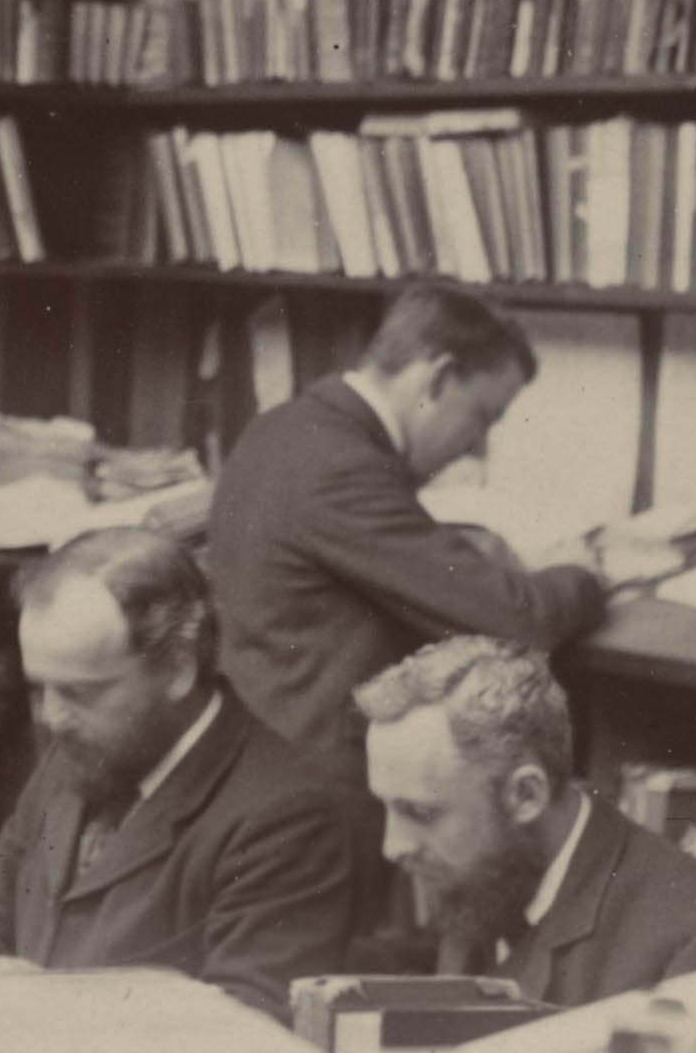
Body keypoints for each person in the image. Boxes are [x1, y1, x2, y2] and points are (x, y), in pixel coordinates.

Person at [0, 527, 380, 1016]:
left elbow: (244, 1028)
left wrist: (20, 1002)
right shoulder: (86, 750)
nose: (51, 718)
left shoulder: (290, 814)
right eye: (38, 689)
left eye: (82, 692)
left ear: (179, 667)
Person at [205, 280, 611, 752]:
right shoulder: (343, 468)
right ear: (437, 378)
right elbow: (521, 621)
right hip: (324, 769)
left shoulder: (285, 426)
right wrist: (583, 573)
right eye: (482, 417)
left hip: (269, 738)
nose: (476, 447)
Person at [355, 635, 696, 1007]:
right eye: (385, 807)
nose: (393, 847)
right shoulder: (487, 876)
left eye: (420, 813)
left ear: (527, 795)